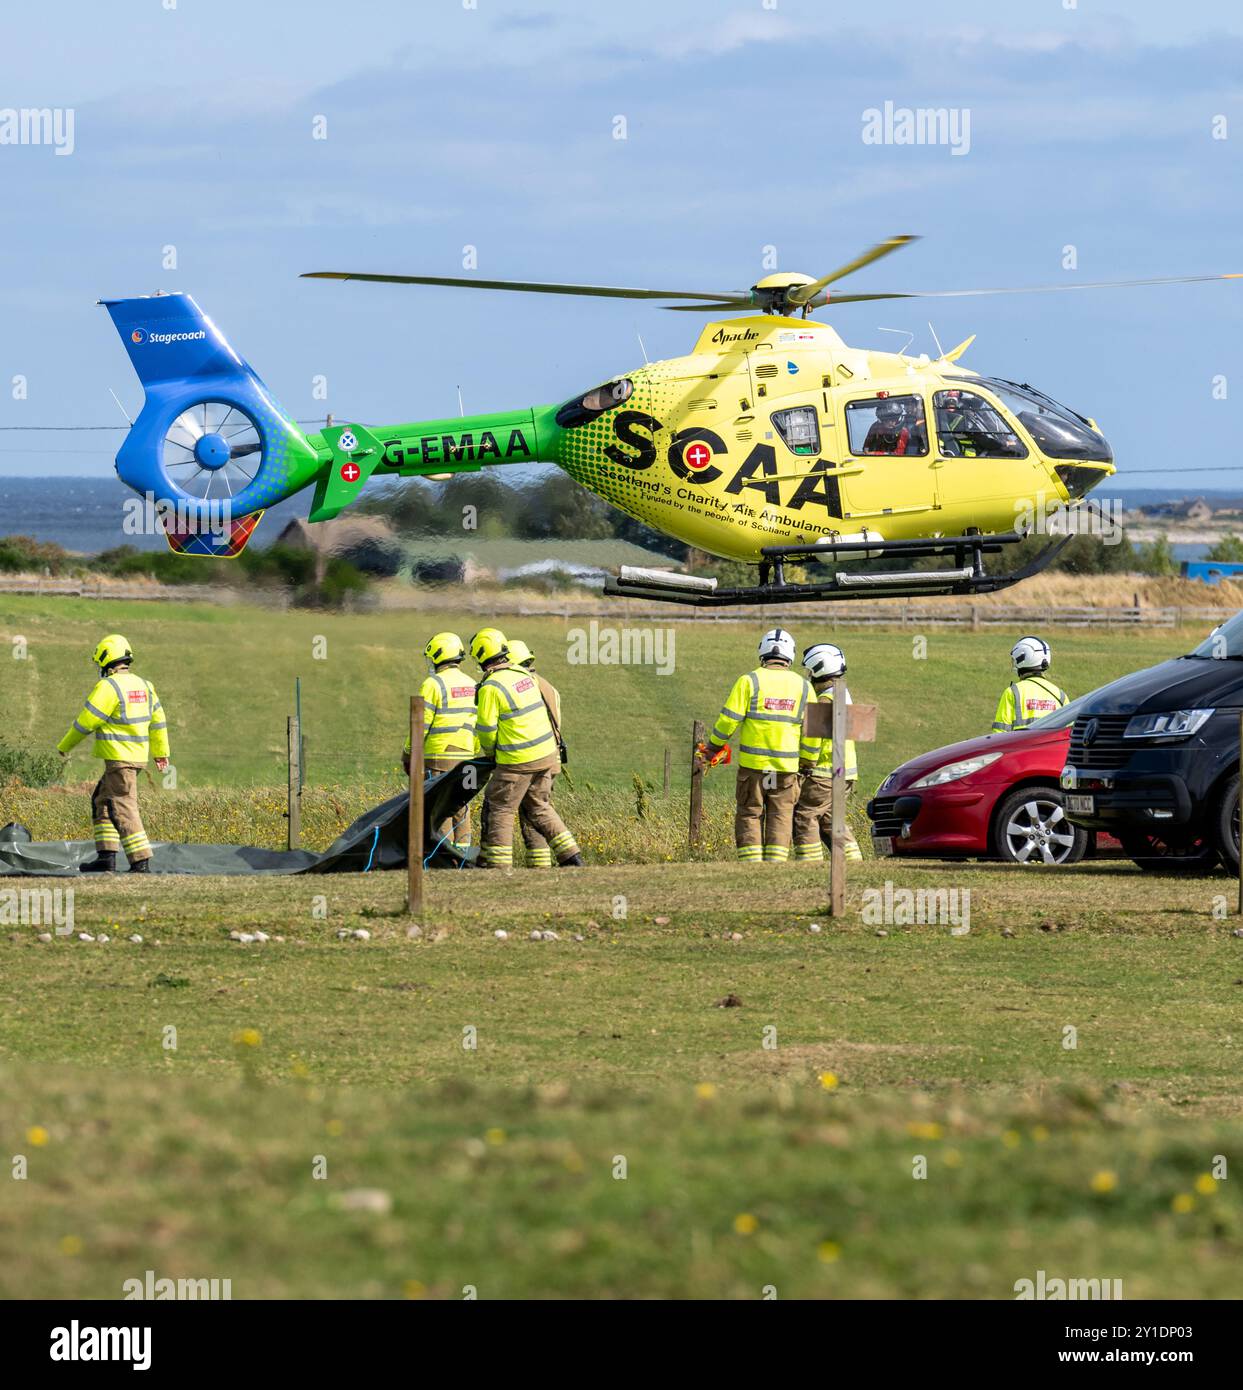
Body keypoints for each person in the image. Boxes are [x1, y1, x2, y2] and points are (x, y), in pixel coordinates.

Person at [702, 628, 820, 863]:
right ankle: (775, 865)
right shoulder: (804, 687)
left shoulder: (749, 681)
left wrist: (713, 748)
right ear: (790, 656)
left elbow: (728, 720)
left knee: (750, 812)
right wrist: (808, 761)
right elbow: (812, 732)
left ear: (762, 653)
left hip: (753, 767)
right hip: (786, 767)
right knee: (781, 814)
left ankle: (751, 865)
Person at [56, 633, 170, 874]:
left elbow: (85, 722)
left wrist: (65, 745)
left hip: (120, 759)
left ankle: (141, 861)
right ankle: (106, 857)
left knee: (123, 806)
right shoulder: (145, 686)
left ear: (106, 660)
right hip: (135, 758)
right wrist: (161, 753)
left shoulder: (109, 687)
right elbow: (158, 722)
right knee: (102, 801)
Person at [472, 627, 582, 868]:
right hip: (546, 756)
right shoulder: (525, 677)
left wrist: (492, 754)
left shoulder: (491, 686)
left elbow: (487, 730)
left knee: (500, 808)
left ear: (481, 655)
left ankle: (499, 868)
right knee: (539, 806)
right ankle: (571, 857)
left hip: (518, 760)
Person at [404, 631, 477, 853]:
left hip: (439, 758)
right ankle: (463, 854)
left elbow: (420, 724)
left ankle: (445, 856)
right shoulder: (473, 683)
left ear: (437, 655)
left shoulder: (433, 684)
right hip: (468, 757)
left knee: (441, 808)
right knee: (462, 808)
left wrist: (408, 753)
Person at [793, 643, 862, 863]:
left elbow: (815, 739)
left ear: (819, 669)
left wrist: (806, 764)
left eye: (810, 671)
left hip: (825, 772)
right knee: (832, 820)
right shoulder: (843, 694)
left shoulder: (825, 700)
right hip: (845, 773)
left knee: (804, 816)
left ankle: (810, 864)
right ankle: (853, 862)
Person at [504, 639, 562, 868]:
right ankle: (549, 861)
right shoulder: (547, 685)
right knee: (540, 808)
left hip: (532, 757)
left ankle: (541, 865)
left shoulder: (525, 686)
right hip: (551, 757)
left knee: (532, 813)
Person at [993, 637, 1069, 731]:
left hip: (1020, 746)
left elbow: (999, 733)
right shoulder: (1060, 695)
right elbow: (1068, 734)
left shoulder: (1013, 692)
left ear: (1022, 659)